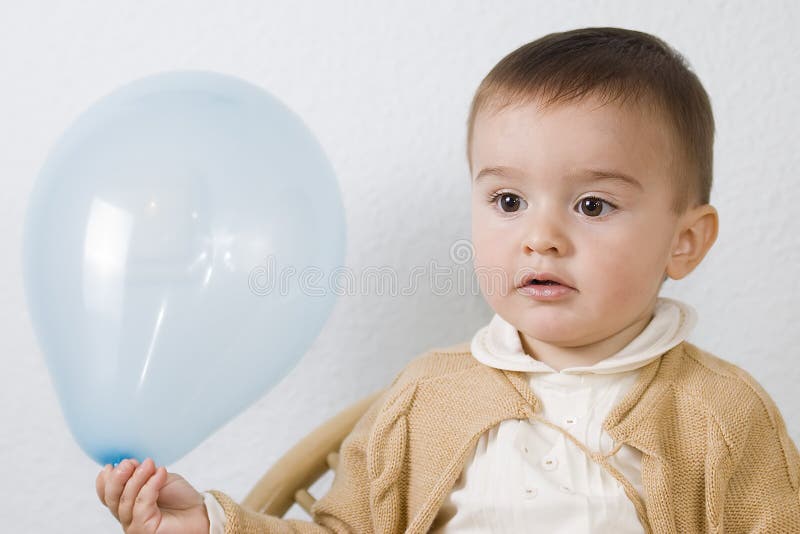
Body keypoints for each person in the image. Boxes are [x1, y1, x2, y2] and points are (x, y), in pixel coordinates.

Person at [96, 26, 800, 533]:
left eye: (592, 205)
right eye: (507, 201)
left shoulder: (723, 416)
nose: (540, 236)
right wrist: (212, 525)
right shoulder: (426, 398)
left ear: (684, 241)